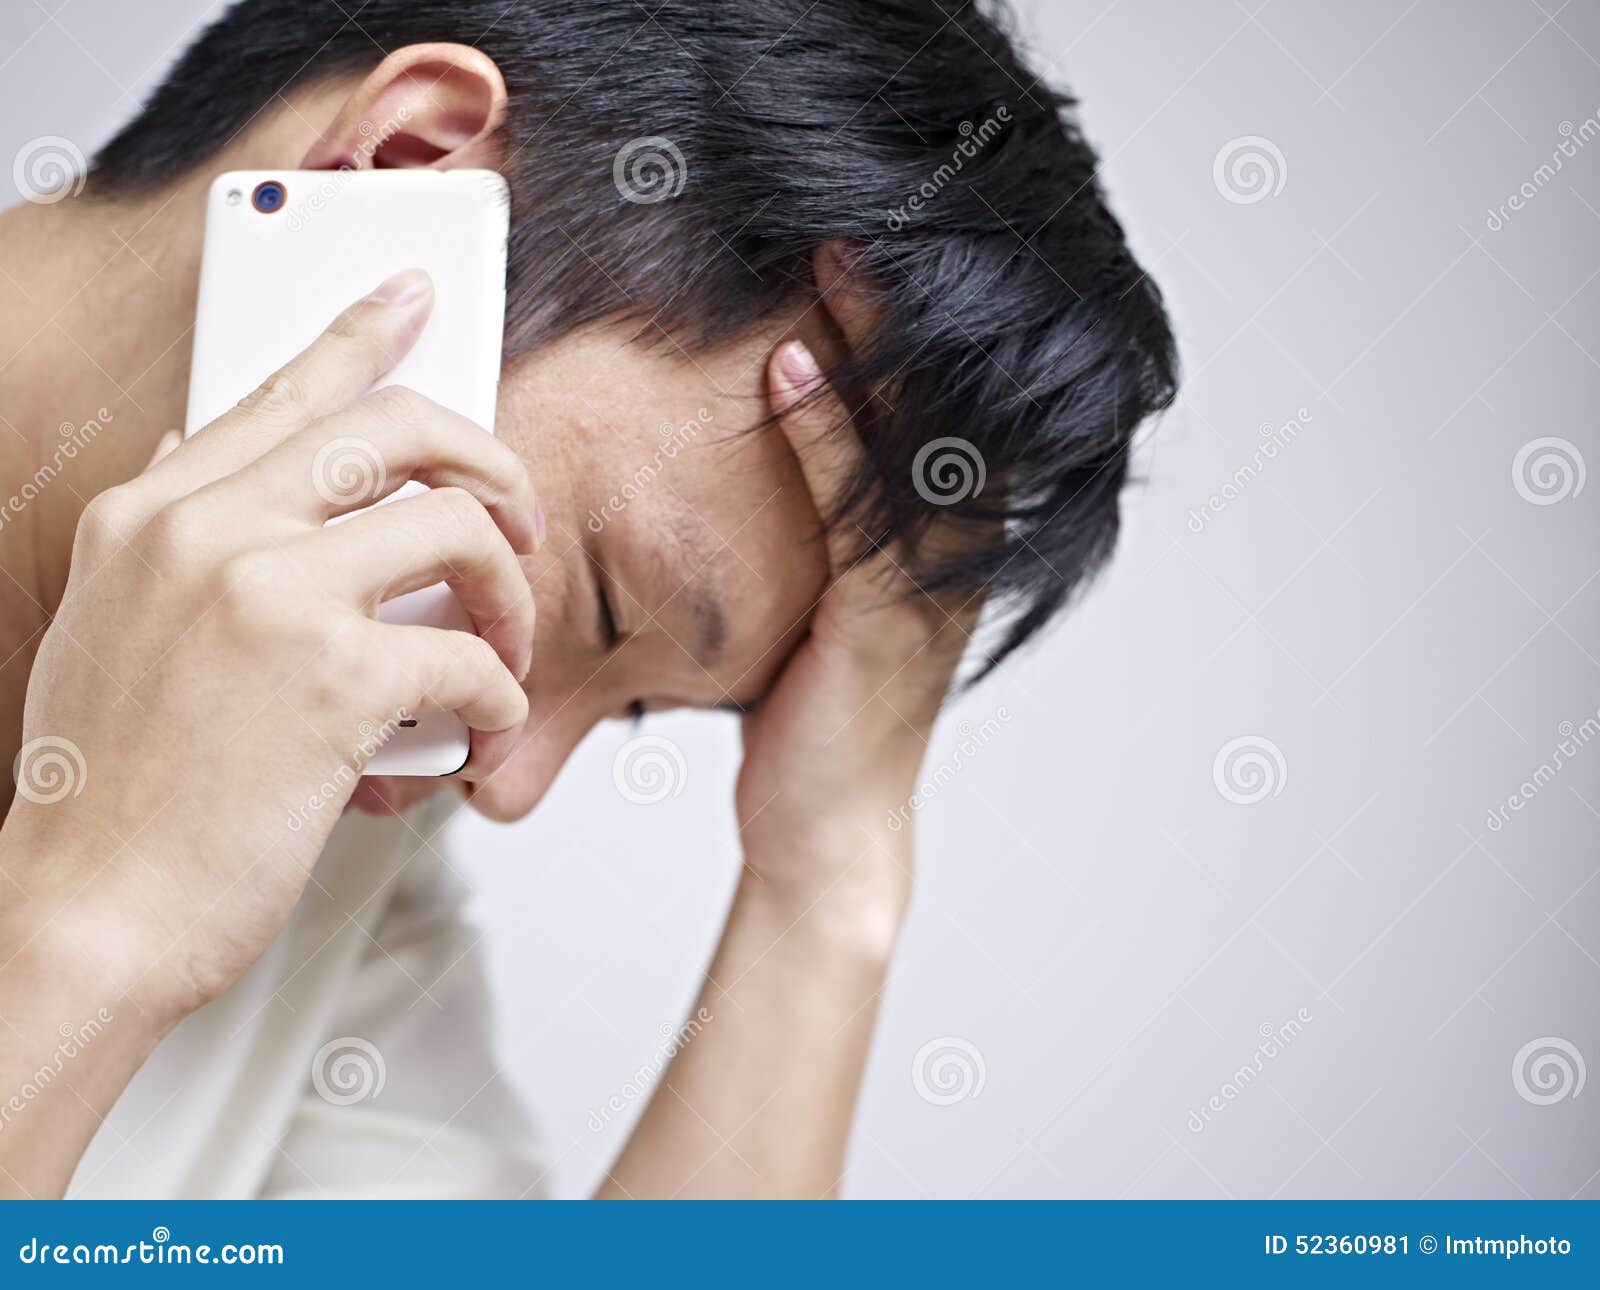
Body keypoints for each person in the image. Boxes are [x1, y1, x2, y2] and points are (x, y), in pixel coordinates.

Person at [0, 0, 1176, 1198]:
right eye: (606, 604)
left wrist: (823, 887)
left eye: (630, 711)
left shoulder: (316, 850)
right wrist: (92, 929)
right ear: (401, 165)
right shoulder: (220, 830)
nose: (506, 784)